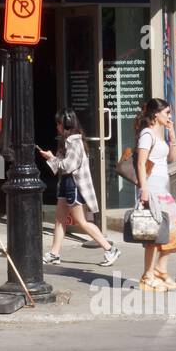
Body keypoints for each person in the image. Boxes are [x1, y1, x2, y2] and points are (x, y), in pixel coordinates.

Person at [39, 109, 121, 267]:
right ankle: (54, 254)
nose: (57, 126)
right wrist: (53, 158)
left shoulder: (75, 142)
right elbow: (61, 167)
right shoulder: (66, 141)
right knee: (59, 219)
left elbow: (68, 166)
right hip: (65, 182)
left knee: (81, 221)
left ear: (66, 124)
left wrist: (51, 158)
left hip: (73, 184)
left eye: (59, 123)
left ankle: (110, 249)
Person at [134, 97, 176, 291]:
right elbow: (140, 163)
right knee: (154, 235)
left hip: (162, 189)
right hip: (152, 189)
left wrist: (172, 133)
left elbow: (172, 158)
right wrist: (144, 188)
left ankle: (160, 269)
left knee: (174, 231)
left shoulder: (158, 134)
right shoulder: (147, 134)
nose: (169, 116)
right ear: (156, 114)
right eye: (167, 112)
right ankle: (148, 275)